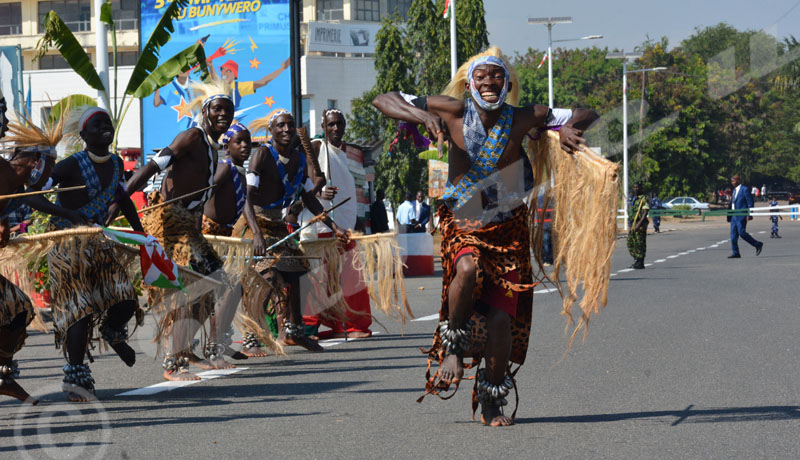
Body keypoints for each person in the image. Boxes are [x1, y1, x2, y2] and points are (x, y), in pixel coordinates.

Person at [372, 47, 598, 426]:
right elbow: (384, 100)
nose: (489, 83)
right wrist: (421, 114)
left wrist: (570, 129)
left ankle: (491, 402)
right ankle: (453, 348)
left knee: (499, 322)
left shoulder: (526, 117)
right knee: (466, 270)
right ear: (470, 82)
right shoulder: (452, 109)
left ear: (507, 83)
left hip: (508, 227)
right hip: (465, 219)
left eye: (497, 77)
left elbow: (585, 112)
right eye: (482, 77)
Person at [25, 107, 145, 402]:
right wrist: (66, 212)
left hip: (97, 242)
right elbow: (32, 194)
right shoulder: (69, 166)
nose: (105, 126)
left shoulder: (116, 163)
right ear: (83, 135)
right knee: (78, 312)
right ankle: (76, 378)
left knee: (126, 298)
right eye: (98, 123)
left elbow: (122, 199)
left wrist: (142, 233)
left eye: (108, 122)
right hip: (67, 244)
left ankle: (113, 330)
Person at [122, 79, 239, 380]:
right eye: (217, 109)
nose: (223, 114)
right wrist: (123, 194)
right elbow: (155, 164)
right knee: (190, 289)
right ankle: (174, 363)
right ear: (205, 112)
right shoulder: (192, 137)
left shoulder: (214, 152)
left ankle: (184, 349)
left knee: (217, 283)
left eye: (228, 109)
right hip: (169, 223)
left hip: (191, 228)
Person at [233, 109, 348, 352]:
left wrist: (335, 227)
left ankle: (295, 331)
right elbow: (246, 199)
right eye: (280, 125)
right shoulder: (261, 156)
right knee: (268, 278)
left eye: (290, 125)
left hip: (276, 225)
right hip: (254, 224)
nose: (286, 129)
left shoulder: (297, 158)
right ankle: (251, 337)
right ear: (271, 131)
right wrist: (256, 235)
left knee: (300, 275)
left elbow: (309, 198)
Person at [0, 107, 59, 404]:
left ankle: (2, 376)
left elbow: (39, 201)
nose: (52, 173)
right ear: (36, 162)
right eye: (52, 165)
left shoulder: (16, 185)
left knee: (18, 310)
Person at [301, 108, 372, 339]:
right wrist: (320, 189)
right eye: (330, 124)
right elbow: (309, 172)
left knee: (348, 279)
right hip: (322, 225)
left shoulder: (342, 155)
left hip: (344, 227)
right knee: (318, 279)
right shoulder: (318, 146)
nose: (335, 129)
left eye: (339, 124)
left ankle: (346, 324)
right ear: (323, 127)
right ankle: (309, 328)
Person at [728, 174, 763, 258]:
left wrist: (750, 214)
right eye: (732, 181)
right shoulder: (734, 191)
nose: (732, 182)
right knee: (733, 236)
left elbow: (750, 202)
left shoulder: (745, 189)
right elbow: (732, 203)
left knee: (741, 232)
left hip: (741, 214)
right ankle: (736, 252)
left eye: (734, 181)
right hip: (733, 215)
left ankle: (757, 244)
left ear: (739, 181)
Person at [627, 184, 649, 269]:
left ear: (641, 189)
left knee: (640, 243)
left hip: (640, 224)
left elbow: (645, 213)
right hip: (633, 223)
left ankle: (640, 262)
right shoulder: (633, 199)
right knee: (630, 242)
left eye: (637, 187)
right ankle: (636, 259)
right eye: (634, 187)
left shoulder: (643, 199)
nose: (636, 189)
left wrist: (638, 224)